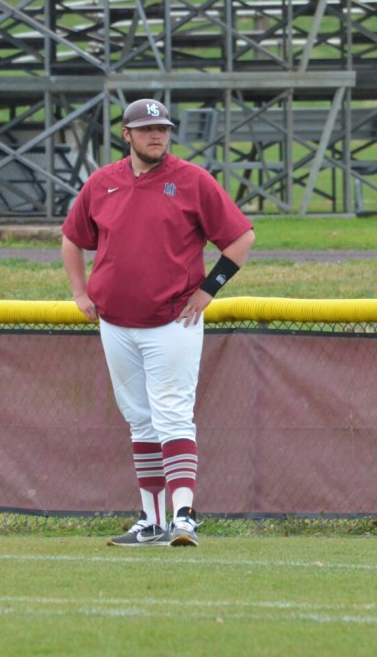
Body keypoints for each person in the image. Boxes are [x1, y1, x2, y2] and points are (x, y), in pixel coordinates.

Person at [61, 98, 255, 547]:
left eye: (163, 128)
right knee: (140, 420)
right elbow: (73, 239)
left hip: (173, 321)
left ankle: (183, 517)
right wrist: (78, 292)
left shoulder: (192, 180)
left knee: (172, 415)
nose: (157, 135)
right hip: (116, 321)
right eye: (147, 128)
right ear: (126, 134)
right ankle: (150, 521)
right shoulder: (103, 182)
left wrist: (209, 289)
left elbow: (241, 237)